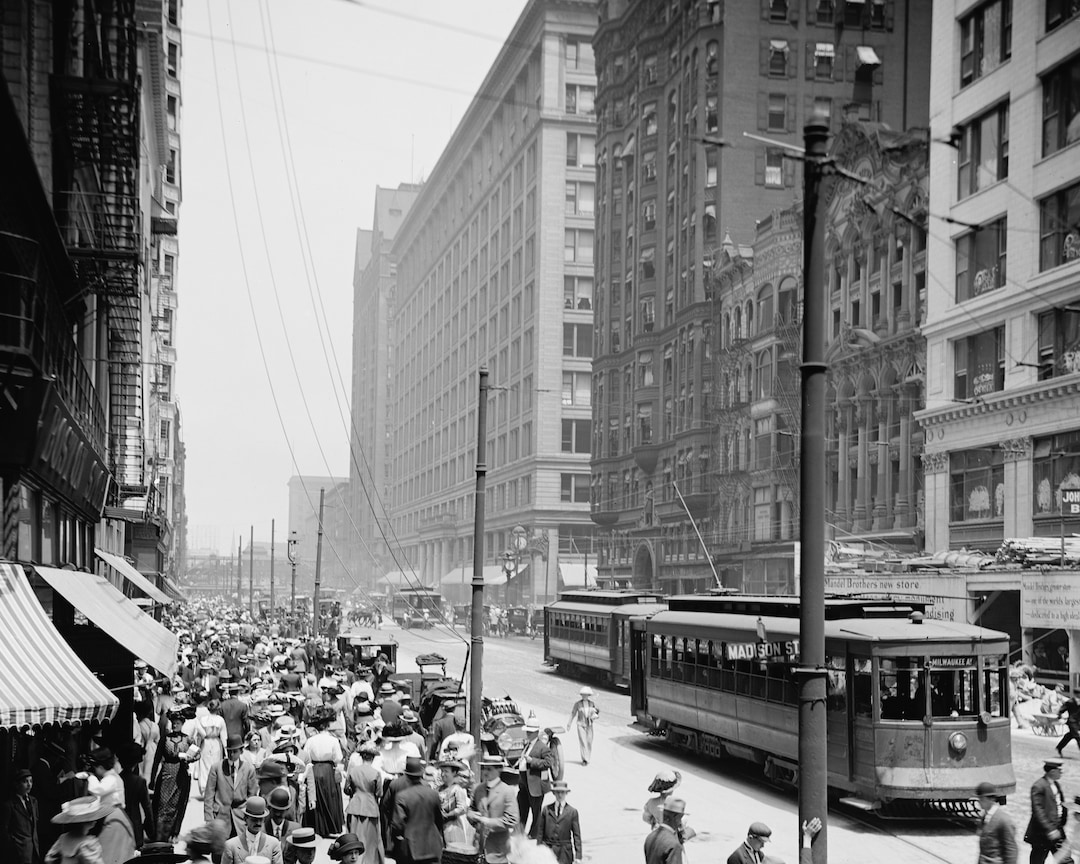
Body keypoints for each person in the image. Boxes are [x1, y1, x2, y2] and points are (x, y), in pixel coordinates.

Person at [152, 706, 198, 842]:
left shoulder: (187, 739)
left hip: (182, 773)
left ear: (183, 724)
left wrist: (191, 758)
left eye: (178, 723)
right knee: (163, 804)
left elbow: (197, 753)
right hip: (167, 773)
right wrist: (152, 778)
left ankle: (173, 833)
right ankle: (160, 834)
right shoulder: (165, 739)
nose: (175, 725)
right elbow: (156, 759)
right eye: (173, 723)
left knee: (178, 803)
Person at [390, 756, 444, 864]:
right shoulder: (433, 794)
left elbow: (397, 824)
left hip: (412, 847)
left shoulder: (402, 796)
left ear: (407, 775)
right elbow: (439, 819)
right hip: (432, 845)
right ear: (421, 775)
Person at [300, 706, 344, 837]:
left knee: (316, 796)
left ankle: (317, 826)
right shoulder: (333, 740)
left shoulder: (311, 740)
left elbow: (306, 755)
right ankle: (331, 827)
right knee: (330, 795)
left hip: (314, 768)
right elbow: (338, 758)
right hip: (328, 769)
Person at [204, 735, 258, 838]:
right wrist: (209, 819)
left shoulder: (249, 769)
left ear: (241, 751)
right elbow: (209, 795)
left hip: (241, 819)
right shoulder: (216, 768)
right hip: (220, 818)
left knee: (239, 850)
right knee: (219, 851)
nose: (231, 754)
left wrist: (250, 819)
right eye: (229, 751)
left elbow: (252, 796)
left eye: (235, 751)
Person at [467, 755, 518, 864]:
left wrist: (488, 821)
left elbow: (512, 820)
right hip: (479, 847)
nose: (486, 772)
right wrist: (471, 816)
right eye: (484, 768)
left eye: (489, 769)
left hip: (498, 850)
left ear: (499, 770)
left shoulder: (507, 791)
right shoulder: (478, 789)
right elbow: (471, 809)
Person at [344, 741, 384, 863]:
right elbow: (379, 793)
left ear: (361, 757)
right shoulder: (376, 773)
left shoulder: (353, 771)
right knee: (372, 840)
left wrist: (354, 793)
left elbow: (346, 789)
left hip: (355, 806)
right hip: (371, 807)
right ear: (372, 758)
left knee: (354, 837)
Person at [515, 714, 553, 839]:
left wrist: (532, 761)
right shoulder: (528, 745)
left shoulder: (543, 747)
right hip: (524, 783)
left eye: (530, 732)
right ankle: (519, 831)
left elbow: (548, 763)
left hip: (535, 784)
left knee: (536, 811)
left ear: (536, 732)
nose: (528, 734)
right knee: (522, 807)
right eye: (528, 732)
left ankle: (534, 833)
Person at [43, 796, 109, 864]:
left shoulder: (63, 838)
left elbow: (49, 859)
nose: (95, 821)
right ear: (88, 821)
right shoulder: (89, 843)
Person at [1025, 760, 1067, 864]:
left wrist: (1061, 823)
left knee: (1066, 860)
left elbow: (1060, 804)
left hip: (1057, 831)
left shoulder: (1056, 785)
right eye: (1059, 770)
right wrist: (1049, 829)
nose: (1061, 773)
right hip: (1042, 833)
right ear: (1052, 771)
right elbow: (1038, 810)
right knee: (1037, 860)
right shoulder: (1039, 786)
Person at [221, 797, 283, 864]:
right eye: (254, 819)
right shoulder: (231, 846)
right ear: (245, 818)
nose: (258, 823)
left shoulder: (273, 844)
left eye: (261, 819)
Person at [537, 780, 582, 864]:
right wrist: (539, 850)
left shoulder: (572, 812)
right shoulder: (546, 810)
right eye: (557, 792)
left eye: (562, 792)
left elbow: (577, 835)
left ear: (566, 793)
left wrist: (578, 856)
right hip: (549, 849)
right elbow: (540, 832)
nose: (560, 795)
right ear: (554, 793)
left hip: (564, 852)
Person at [2, 768, 40, 864]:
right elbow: (4, 829)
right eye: (25, 782)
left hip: (34, 850)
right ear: (17, 784)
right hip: (19, 852)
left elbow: (35, 822)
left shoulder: (34, 801)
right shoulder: (10, 805)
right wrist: (14, 845)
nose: (29, 784)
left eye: (31, 781)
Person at [976, 781, 1017, 864]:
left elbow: (1011, 849)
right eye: (979, 798)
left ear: (991, 799)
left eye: (982, 799)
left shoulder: (1003, 820)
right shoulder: (985, 816)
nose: (979, 801)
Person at [195, 700, 228, 799]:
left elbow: (199, 735)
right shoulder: (220, 720)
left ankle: (205, 788)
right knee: (216, 765)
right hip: (216, 743)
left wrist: (197, 746)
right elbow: (224, 736)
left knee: (205, 766)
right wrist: (226, 750)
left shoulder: (203, 719)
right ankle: (215, 788)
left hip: (206, 743)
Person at [436, 759, 471, 849]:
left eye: (446, 771)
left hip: (453, 826)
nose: (443, 774)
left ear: (454, 773)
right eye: (442, 771)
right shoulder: (438, 789)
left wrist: (448, 815)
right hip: (439, 826)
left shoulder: (457, 789)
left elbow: (462, 808)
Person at [643, 798, 686, 864]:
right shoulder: (673, 844)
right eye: (680, 818)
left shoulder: (650, 836)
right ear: (676, 817)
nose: (680, 822)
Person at [566, 687, 599, 766]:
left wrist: (595, 715)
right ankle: (585, 759)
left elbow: (595, 713)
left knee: (589, 742)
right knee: (583, 742)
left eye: (586, 695)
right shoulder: (578, 704)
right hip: (580, 724)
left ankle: (588, 757)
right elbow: (573, 713)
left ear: (588, 695)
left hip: (589, 725)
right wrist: (569, 723)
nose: (584, 696)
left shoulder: (592, 704)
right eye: (583, 695)